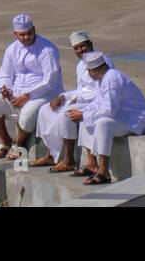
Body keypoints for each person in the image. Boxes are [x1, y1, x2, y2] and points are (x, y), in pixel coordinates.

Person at [0, 13, 62, 160]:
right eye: (22, 35)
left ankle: (18, 145)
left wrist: (28, 96)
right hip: (17, 94)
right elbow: (5, 73)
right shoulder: (12, 49)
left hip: (44, 94)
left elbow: (51, 80)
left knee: (28, 113)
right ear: (15, 34)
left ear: (34, 30)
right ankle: (5, 142)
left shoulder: (47, 49)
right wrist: (5, 89)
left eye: (29, 33)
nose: (26, 37)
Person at [70, 51, 145, 184]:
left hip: (137, 118)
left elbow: (109, 110)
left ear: (93, 70)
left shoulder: (111, 79)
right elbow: (98, 103)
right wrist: (82, 112)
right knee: (85, 119)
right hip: (122, 115)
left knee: (103, 123)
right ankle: (91, 164)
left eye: (88, 70)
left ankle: (104, 171)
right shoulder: (103, 78)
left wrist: (84, 114)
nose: (87, 73)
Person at [31, 30, 109, 173]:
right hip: (81, 99)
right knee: (45, 110)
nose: (80, 50)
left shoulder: (101, 60)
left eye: (83, 46)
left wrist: (76, 100)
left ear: (90, 44)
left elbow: (104, 89)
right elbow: (81, 89)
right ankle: (50, 155)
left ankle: (69, 160)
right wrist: (63, 96)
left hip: (95, 102)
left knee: (67, 114)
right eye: (76, 48)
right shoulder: (80, 65)